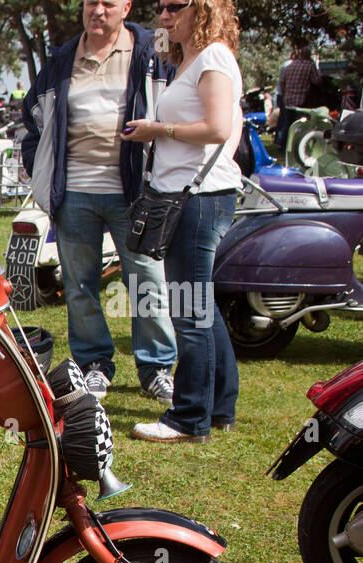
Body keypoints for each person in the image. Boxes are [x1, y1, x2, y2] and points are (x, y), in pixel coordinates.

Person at [20, 0, 177, 406]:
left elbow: (179, 103)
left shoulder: (152, 51)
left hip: (134, 192)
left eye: (108, 2)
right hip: (74, 193)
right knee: (79, 286)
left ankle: (156, 369)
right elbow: (33, 119)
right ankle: (93, 365)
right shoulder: (62, 58)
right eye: (91, 2)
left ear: (126, 7)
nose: (98, 10)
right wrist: (38, 166)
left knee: (146, 280)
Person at [124, 0, 243, 442]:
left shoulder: (213, 56)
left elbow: (217, 127)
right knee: (202, 307)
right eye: (161, 7)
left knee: (189, 308)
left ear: (203, 9)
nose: (164, 15)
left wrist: (159, 130)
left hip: (199, 197)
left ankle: (189, 417)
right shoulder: (190, 58)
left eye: (175, 6)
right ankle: (218, 408)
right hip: (188, 195)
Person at [274, 46, 319, 151]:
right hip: (301, 99)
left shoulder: (290, 65)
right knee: (301, 124)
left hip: (288, 99)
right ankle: (298, 146)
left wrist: (285, 94)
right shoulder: (310, 66)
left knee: (288, 123)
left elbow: (282, 81)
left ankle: (282, 144)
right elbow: (317, 81)